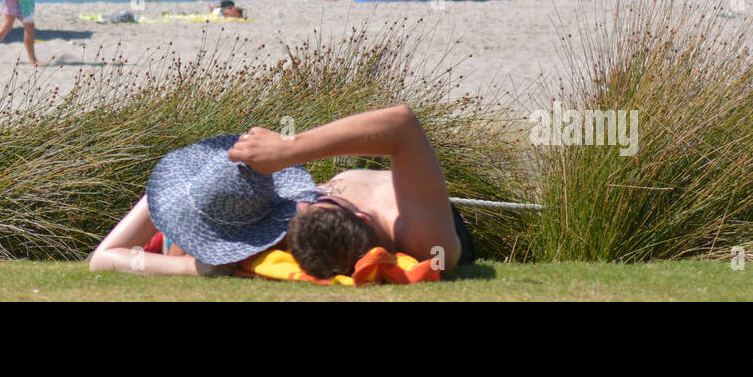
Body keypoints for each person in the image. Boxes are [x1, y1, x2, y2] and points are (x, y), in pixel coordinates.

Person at [88, 104, 470, 279]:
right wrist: (290, 149)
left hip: (199, 222)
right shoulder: (426, 237)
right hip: (421, 200)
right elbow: (402, 125)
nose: (303, 200)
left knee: (197, 216)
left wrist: (196, 267)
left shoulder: (421, 242)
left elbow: (103, 258)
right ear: (359, 216)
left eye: (297, 209)